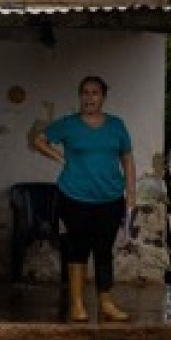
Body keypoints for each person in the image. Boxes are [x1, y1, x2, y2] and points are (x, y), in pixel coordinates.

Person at [33, 75, 135, 322]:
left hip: (110, 197)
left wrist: (131, 192)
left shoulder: (116, 125)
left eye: (95, 93)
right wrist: (57, 157)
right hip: (74, 196)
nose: (90, 97)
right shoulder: (69, 124)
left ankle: (106, 302)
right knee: (77, 249)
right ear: (80, 96)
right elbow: (39, 139)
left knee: (103, 250)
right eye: (85, 93)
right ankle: (77, 304)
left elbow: (127, 159)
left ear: (103, 97)